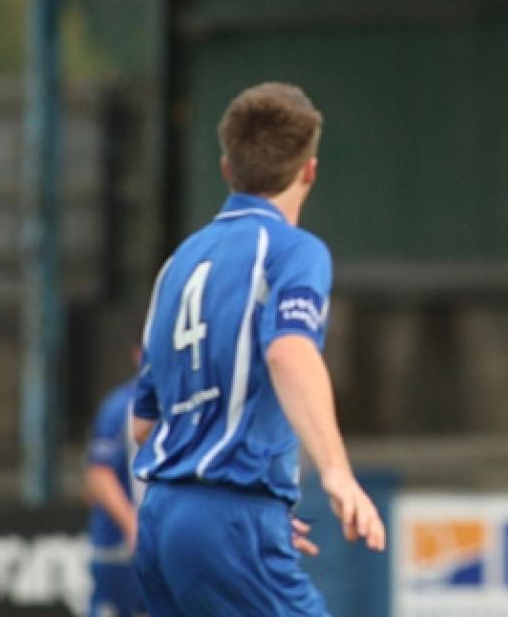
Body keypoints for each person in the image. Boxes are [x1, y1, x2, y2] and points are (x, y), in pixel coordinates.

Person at [130, 82, 386, 616]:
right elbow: (289, 351)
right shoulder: (293, 252)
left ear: (227, 167)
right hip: (229, 517)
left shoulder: (176, 265)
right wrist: (335, 472)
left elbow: (143, 424)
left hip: (161, 520)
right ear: (309, 171)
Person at [85, 345, 146, 617]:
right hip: (120, 550)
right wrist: (132, 524)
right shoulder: (121, 406)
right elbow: (99, 475)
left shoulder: (183, 400)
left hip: (160, 544)